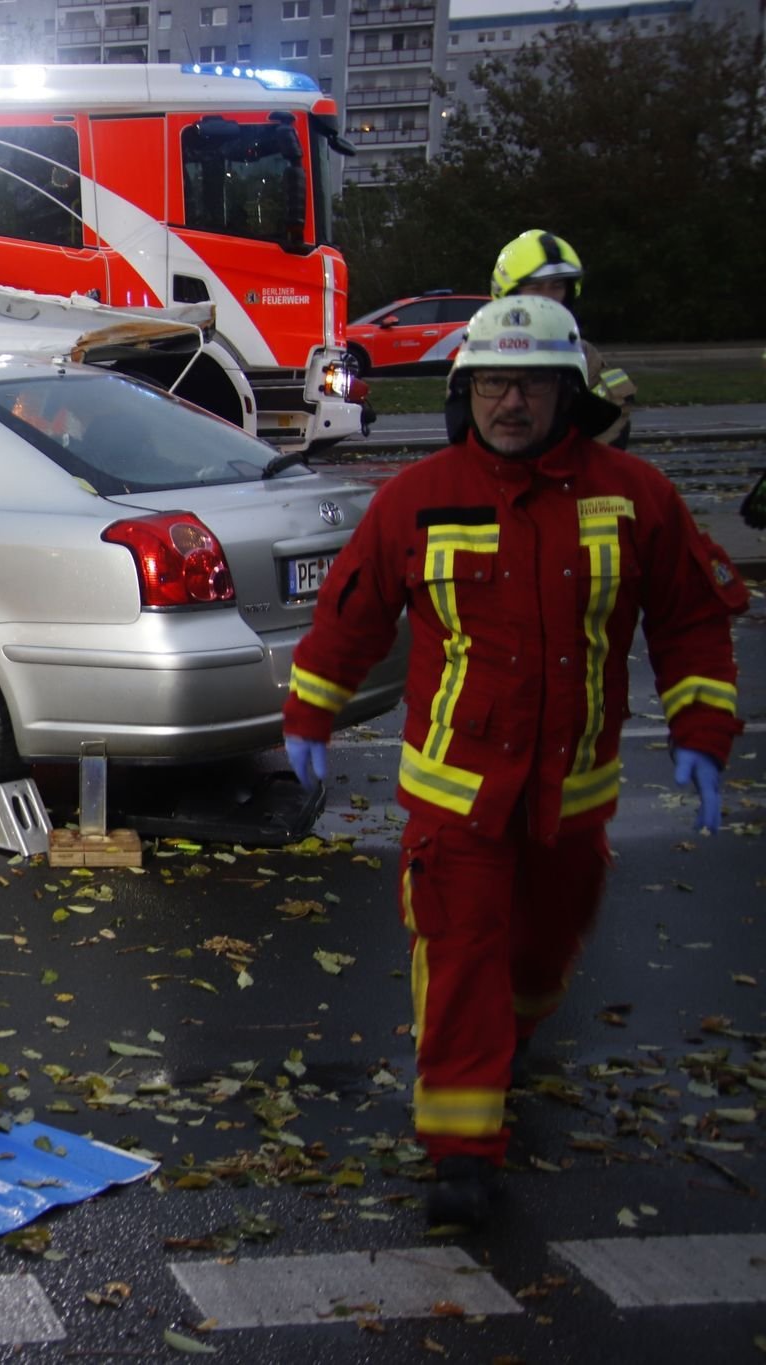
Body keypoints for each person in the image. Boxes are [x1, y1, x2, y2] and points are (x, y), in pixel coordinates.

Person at [283, 296, 746, 1229]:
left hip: (574, 796)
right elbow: (352, 613)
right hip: (455, 798)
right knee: (460, 957)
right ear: (465, 393)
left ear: (567, 393)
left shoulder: (635, 496)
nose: (511, 401)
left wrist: (702, 733)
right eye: (493, 381)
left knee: (539, 951)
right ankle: (461, 1151)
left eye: (532, 383)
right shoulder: (417, 499)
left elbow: (692, 619)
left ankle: (516, 1034)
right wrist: (309, 712)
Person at [452, 230, 636, 447]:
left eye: (556, 287)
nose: (548, 298)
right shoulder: (479, 356)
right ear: (510, 294)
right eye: (536, 287)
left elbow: (607, 441)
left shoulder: (586, 357)